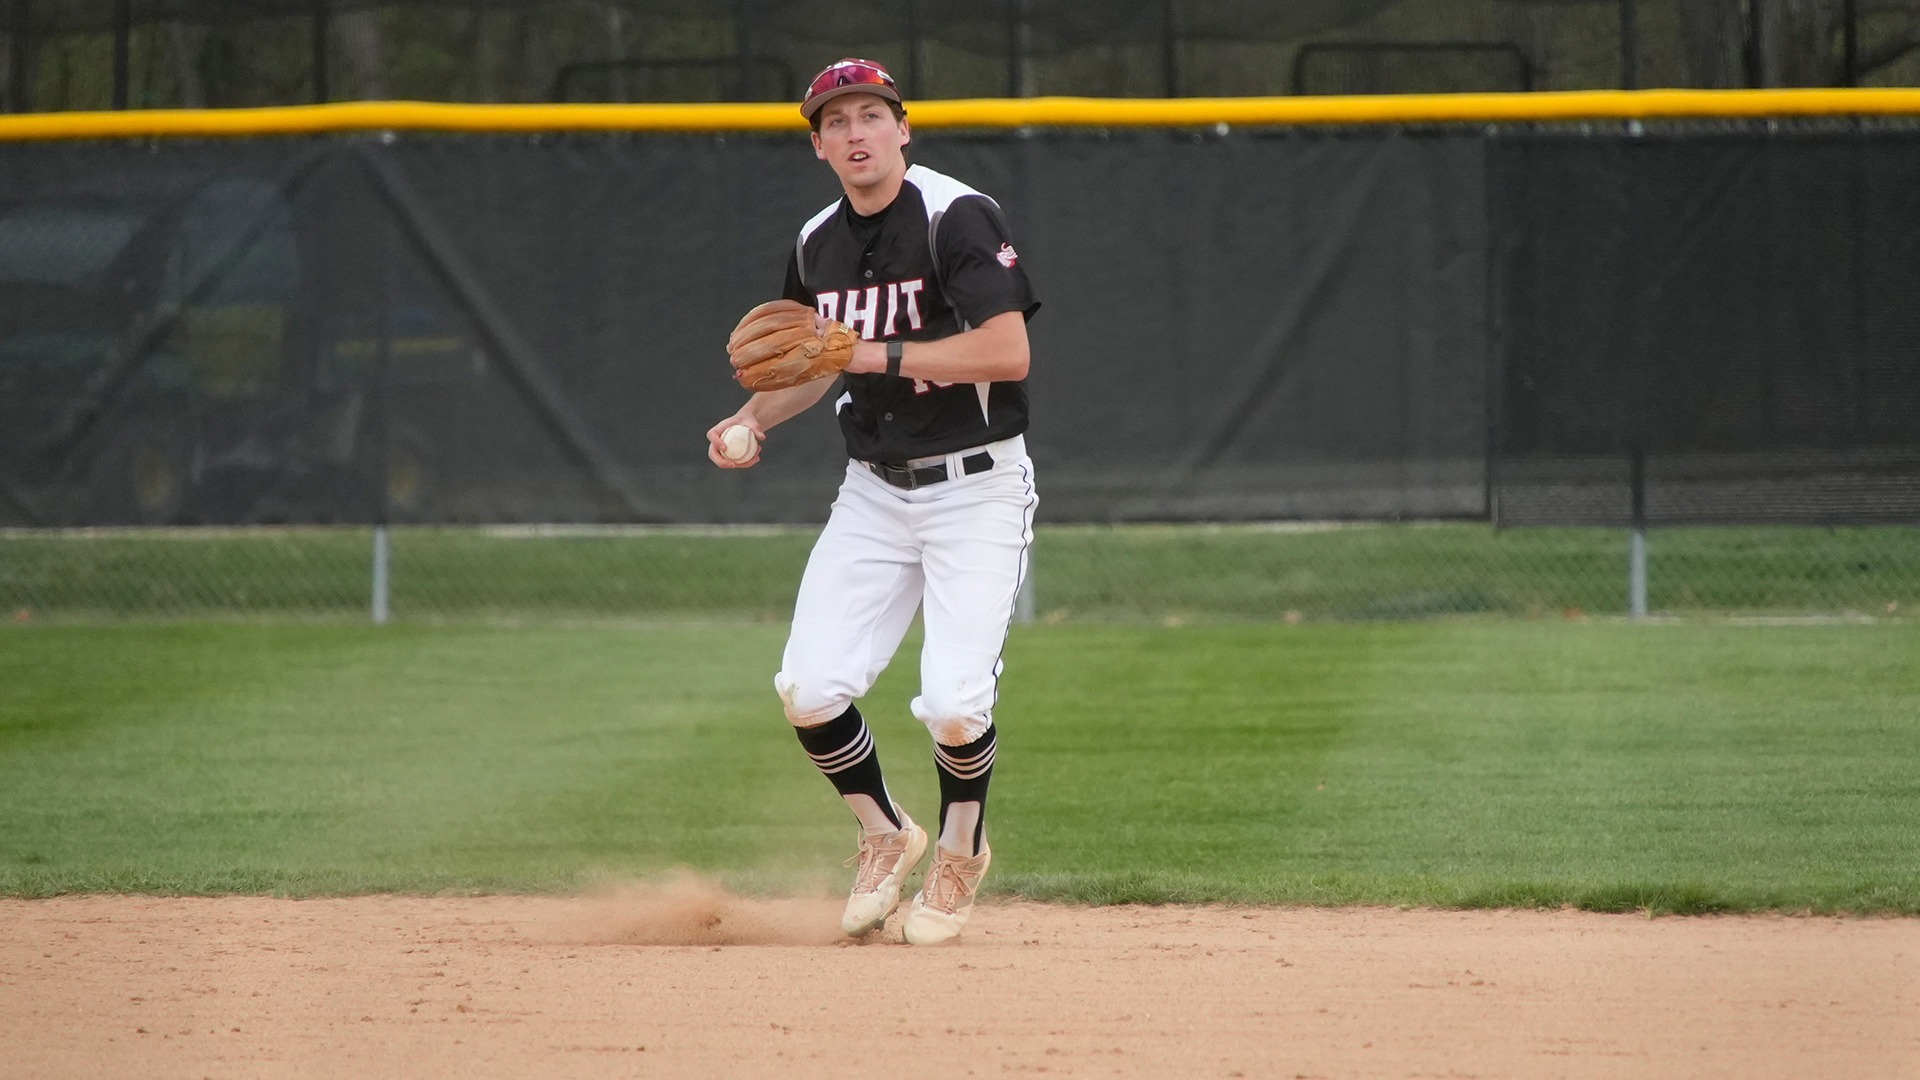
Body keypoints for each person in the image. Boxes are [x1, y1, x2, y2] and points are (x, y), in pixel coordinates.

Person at [705, 57, 1040, 944]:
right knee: (808, 689)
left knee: (958, 703)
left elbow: (1007, 351)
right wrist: (751, 415)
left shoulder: (954, 215)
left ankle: (963, 850)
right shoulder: (817, 238)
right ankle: (886, 832)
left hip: (977, 487)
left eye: (870, 115)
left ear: (903, 129)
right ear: (818, 146)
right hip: (874, 494)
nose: (855, 133)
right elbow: (806, 363)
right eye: (836, 121)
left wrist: (872, 356)